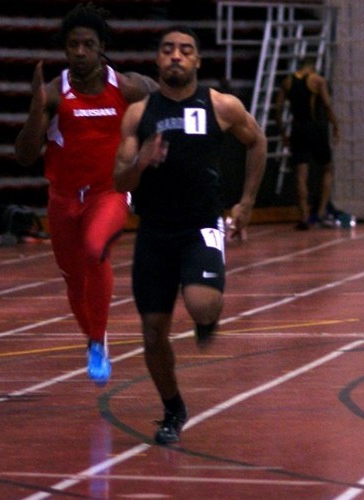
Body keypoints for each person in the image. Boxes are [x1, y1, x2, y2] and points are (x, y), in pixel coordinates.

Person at [113, 26, 266, 444]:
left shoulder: (221, 105)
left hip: (201, 225)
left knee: (201, 305)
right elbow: (118, 180)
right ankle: (173, 408)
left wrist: (247, 202)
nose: (176, 56)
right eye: (167, 50)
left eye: (185, 50)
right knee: (152, 332)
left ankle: (207, 315)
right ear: (157, 60)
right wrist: (141, 163)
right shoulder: (138, 114)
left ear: (198, 60)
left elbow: (258, 143)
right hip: (155, 231)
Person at [14, 3, 157, 386]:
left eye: (87, 45)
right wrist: (35, 110)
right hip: (62, 199)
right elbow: (25, 155)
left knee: (97, 249)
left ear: (101, 48)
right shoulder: (53, 94)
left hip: (108, 192)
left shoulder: (127, 87)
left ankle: (97, 338)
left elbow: (167, 102)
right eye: (73, 45)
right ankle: (95, 337)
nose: (79, 52)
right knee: (74, 282)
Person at [274, 57, 340, 230]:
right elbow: (327, 105)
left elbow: (278, 108)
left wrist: (282, 133)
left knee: (300, 175)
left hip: (298, 129)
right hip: (315, 128)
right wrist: (336, 126)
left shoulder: (287, 82)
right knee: (327, 169)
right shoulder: (317, 80)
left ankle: (303, 216)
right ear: (312, 67)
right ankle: (320, 212)